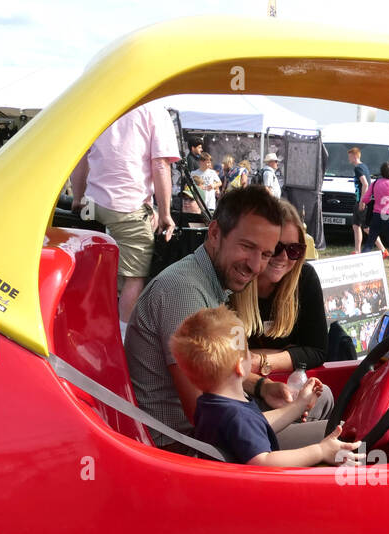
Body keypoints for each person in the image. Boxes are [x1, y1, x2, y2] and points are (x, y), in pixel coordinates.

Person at [126, 186, 331, 455]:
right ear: (214, 234)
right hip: (185, 449)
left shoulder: (209, 282)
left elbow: (214, 376)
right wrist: (314, 445)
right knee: (338, 444)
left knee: (322, 399)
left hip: (204, 434)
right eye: (248, 247)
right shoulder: (184, 292)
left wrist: (261, 385)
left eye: (267, 254)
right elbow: (205, 416)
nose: (256, 266)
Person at [173, 307, 357, 467]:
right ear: (239, 365)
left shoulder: (211, 404)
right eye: (247, 351)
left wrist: (298, 405)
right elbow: (263, 461)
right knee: (348, 435)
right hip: (263, 490)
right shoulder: (236, 416)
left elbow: (255, 424)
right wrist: (320, 451)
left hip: (238, 481)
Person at [70, 101, 179, 331]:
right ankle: (121, 338)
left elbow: (80, 158)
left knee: (95, 269)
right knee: (134, 276)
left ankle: (84, 329)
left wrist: (78, 197)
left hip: (92, 204)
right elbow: (160, 164)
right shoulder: (155, 111)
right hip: (129, 205)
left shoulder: (101, 105)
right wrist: (166, 213)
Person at [234, 198, 330, 376]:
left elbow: (317, 352)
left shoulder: (305, 278)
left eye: (294, 249)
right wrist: (289, 355)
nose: (284, 257)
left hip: (287, 385)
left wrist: (259, 361)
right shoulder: (234, 281)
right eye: (276, 247)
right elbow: (227, 358)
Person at [363, 162, 389, 278]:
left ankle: (360, 264)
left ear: (381, 172)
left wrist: (362, 203)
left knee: (370, 242)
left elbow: (366, 199)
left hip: (377, 215)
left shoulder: (375, 183)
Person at [348, 146, 372, 254]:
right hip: (358, 200)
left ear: (355, 156)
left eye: (350, 156)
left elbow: (365, 184)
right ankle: (357, 251)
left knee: (366, 228)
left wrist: (362, 201)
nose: (349, 158)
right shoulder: (363, 166)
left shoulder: (358, 168)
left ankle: (382, 249)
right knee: (355, 225)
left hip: (361, 201)